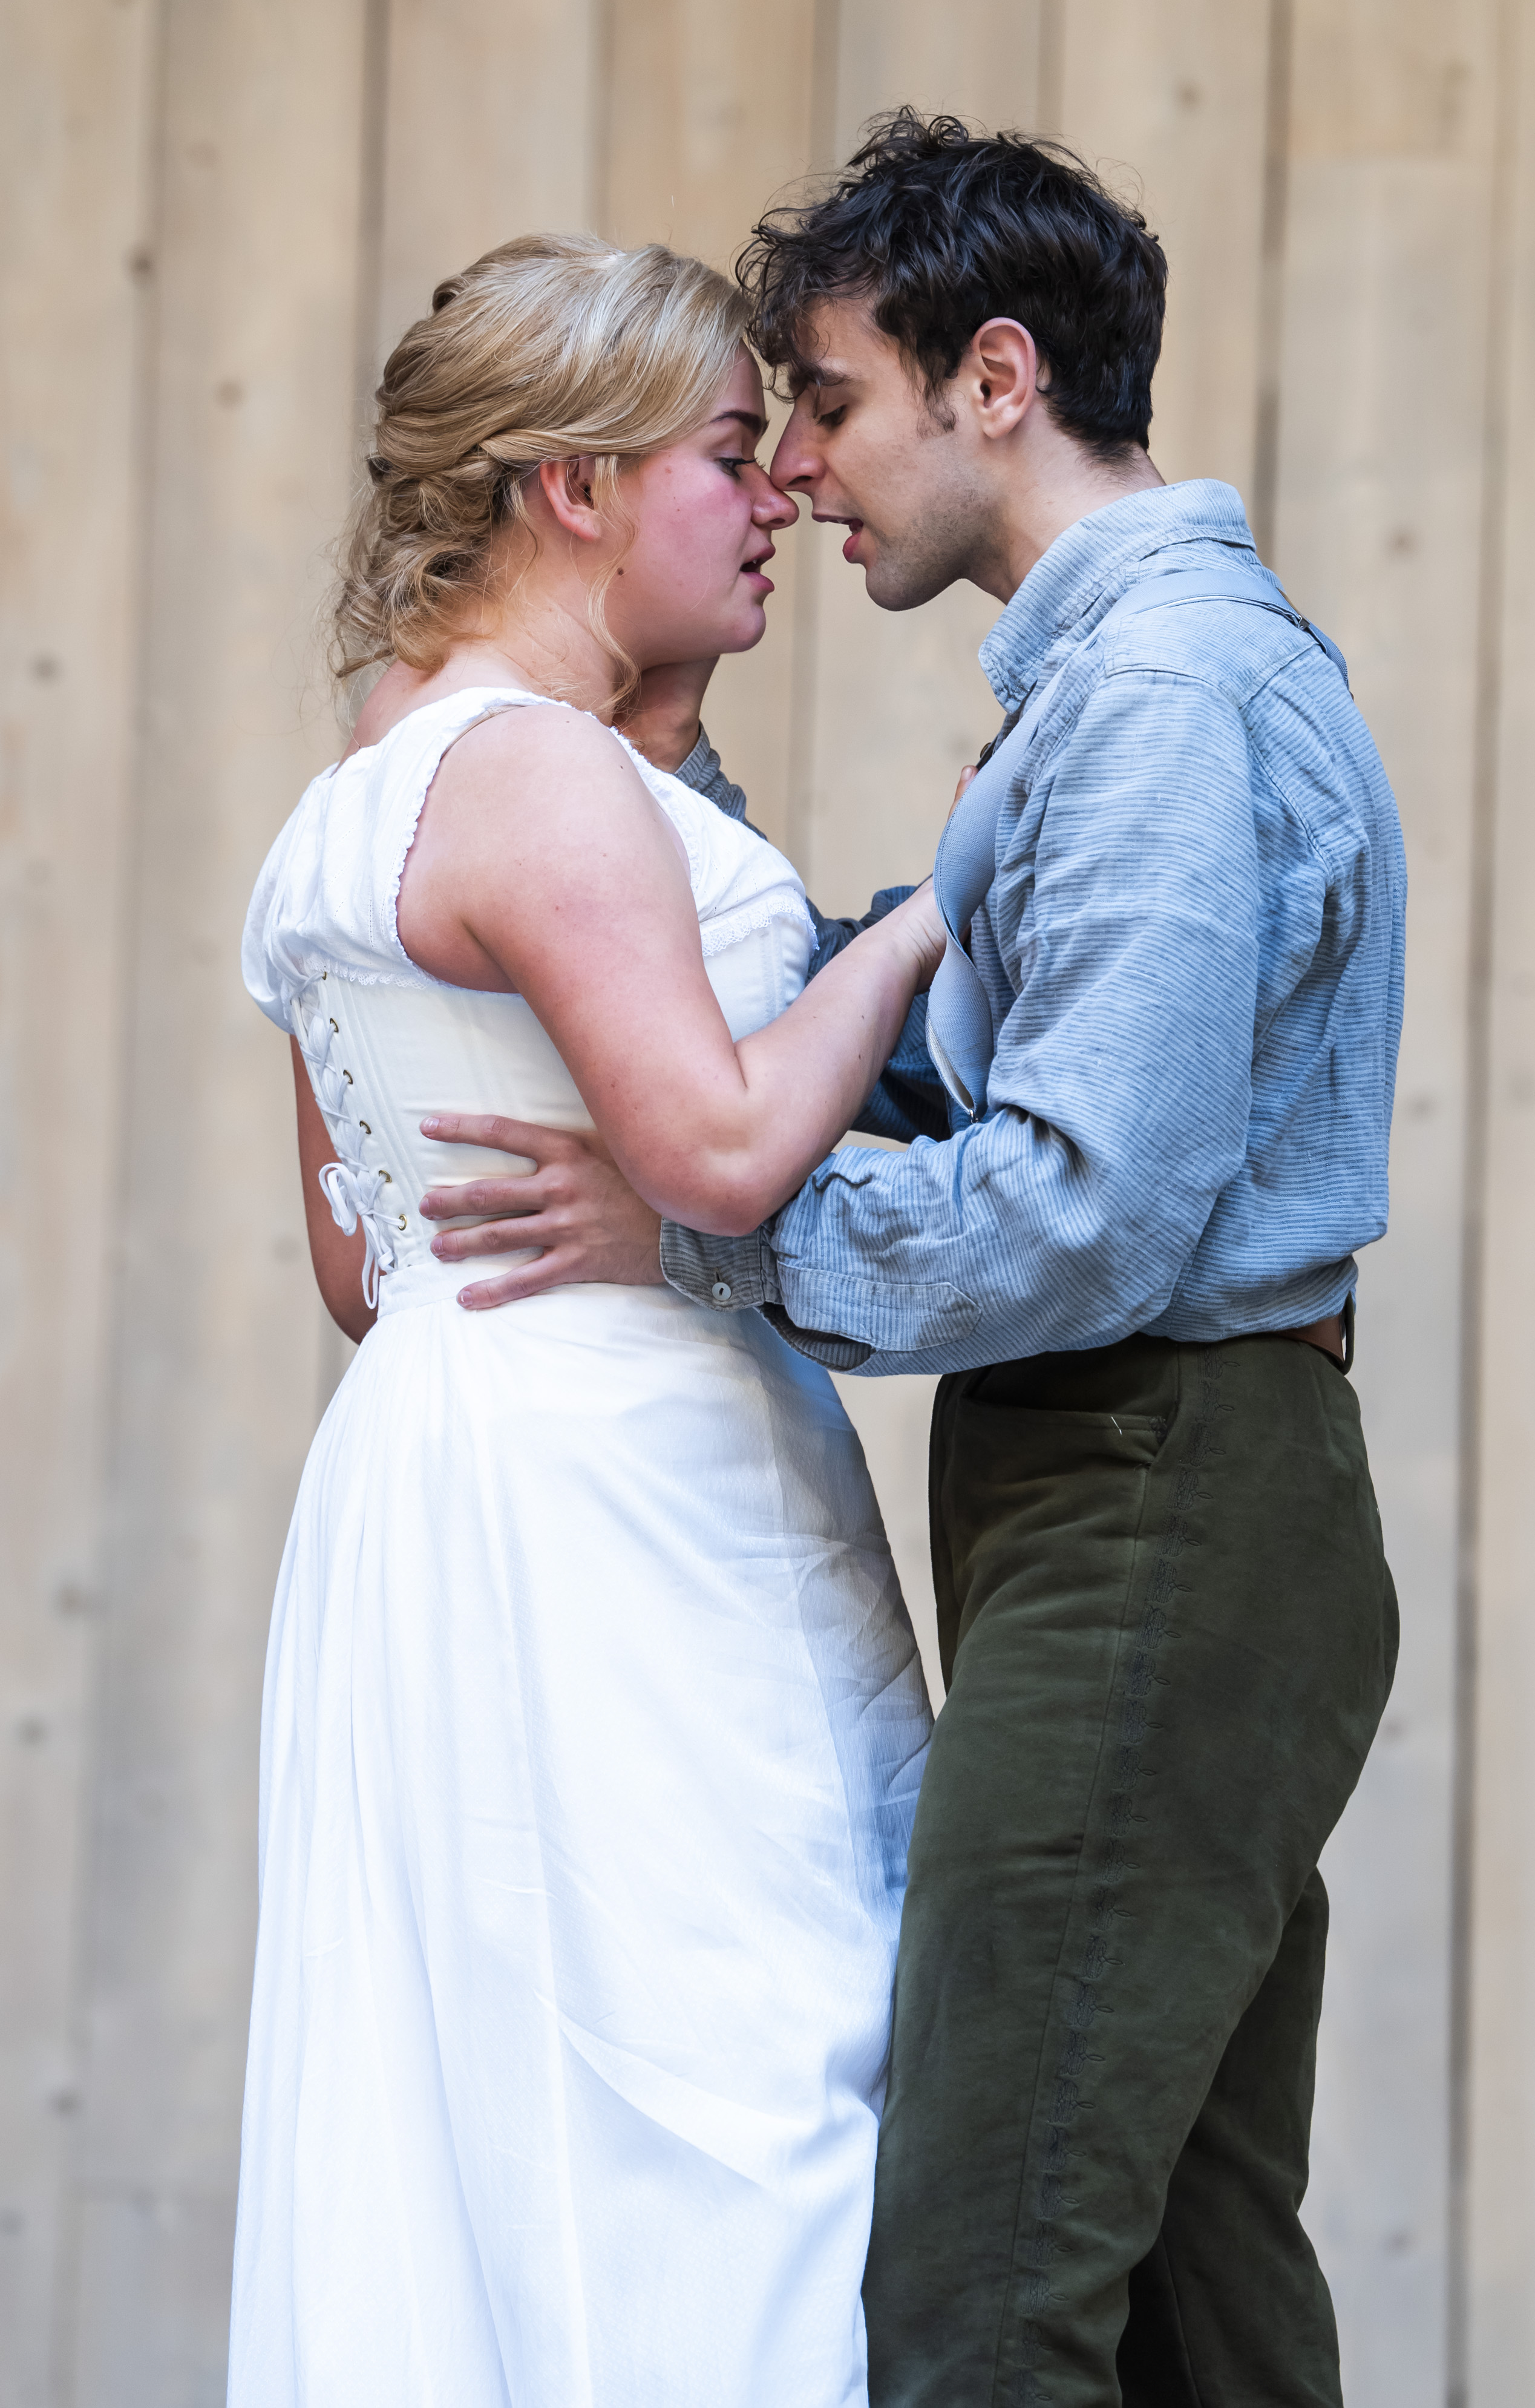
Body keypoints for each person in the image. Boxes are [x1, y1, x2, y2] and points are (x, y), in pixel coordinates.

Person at [433, 116, 1407, 2407]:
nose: (799, 478)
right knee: (1183, 2271)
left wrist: (707, 1230)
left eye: (835, 408)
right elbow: (973, 1066)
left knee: (986, 2291)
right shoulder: (1111, 692)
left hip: (1169, 1490)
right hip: (1152, 1494)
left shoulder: (1166, 701)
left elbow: (1078, 1204)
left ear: (995, 378)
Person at [232, 232, 944, 2408]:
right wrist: (915, 933)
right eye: (730, 453)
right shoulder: (540, 778)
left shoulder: (374, 764)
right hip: (628, 1487)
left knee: (491, 2082)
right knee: (735, 2075)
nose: (777, 499)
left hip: (439, 1464)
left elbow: (365, 1262)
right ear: (572, 484)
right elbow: (723, 1156)